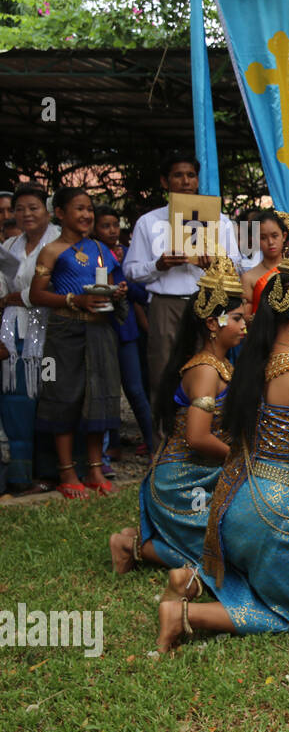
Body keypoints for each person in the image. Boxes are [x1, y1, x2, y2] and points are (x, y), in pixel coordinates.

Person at [156, 218, 289, 652]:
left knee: (288, 583)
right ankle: (186, 615)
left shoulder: (248, 367)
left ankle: (193, 582)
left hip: (232, 505)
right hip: (270, 516)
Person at [109, 255, 247, 574]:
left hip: (208, 474)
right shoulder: (205, 372)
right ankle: (131, 546)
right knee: (220, 561)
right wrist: (241, 459)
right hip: (185, 481)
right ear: (212, 323)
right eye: (237, 318)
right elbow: (197, 437)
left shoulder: (222, 365)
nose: (243, 326)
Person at [27, 189, 128, 497]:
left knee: (99, 396)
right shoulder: (52, 251)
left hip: (100, 331)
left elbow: (107, 284)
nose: (86, 215)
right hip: (63, 332)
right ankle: (67, 471)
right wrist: (75, 299)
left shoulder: (99, 247)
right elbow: (36, 295)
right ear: (60, 212)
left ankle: (95, 469)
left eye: (89, 210)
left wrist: (116, 292)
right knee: (62, 396)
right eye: (79, 209)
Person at [123, 153, 244, 391]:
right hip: (165, 305)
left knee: (208, 369)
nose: (186, 181)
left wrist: (216, 263)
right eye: (178, 175)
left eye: (191, 175)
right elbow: (130, 270)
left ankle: (204, 427)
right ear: (165, 182)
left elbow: (238, 265)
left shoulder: (220, 221)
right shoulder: (149, 222)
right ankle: (165, 429)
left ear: (197, 181)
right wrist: (158, 265)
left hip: (208, 303)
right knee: (163, 372)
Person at [1, 183, 61, 493]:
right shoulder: (10, 245)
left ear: (48, 211)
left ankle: (50, 471)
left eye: (33, 207)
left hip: (49, 330)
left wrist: (20, 295)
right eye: (19, 208)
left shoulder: (60, 241)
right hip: (14, 331)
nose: (26, 214)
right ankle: (20, 475)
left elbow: (62, 286)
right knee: (16, 399)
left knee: (48, 395)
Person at [94, 205, 154, 461]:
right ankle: (112, 444)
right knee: (104, 388)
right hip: (98, 327)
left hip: (126, 330)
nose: (112, 231)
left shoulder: (127, 254)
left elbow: (144, 294)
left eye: (115, 225)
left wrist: (124, 280)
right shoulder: (90, 253)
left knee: (135, 388)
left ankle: (153, 443)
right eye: (105, 226)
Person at [242, 210, 289, 307]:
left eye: (275, 236)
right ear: (255, 240)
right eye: (263, 238)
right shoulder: (248, 278)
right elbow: (246, 315)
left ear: (284, 236)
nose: (270, 242)